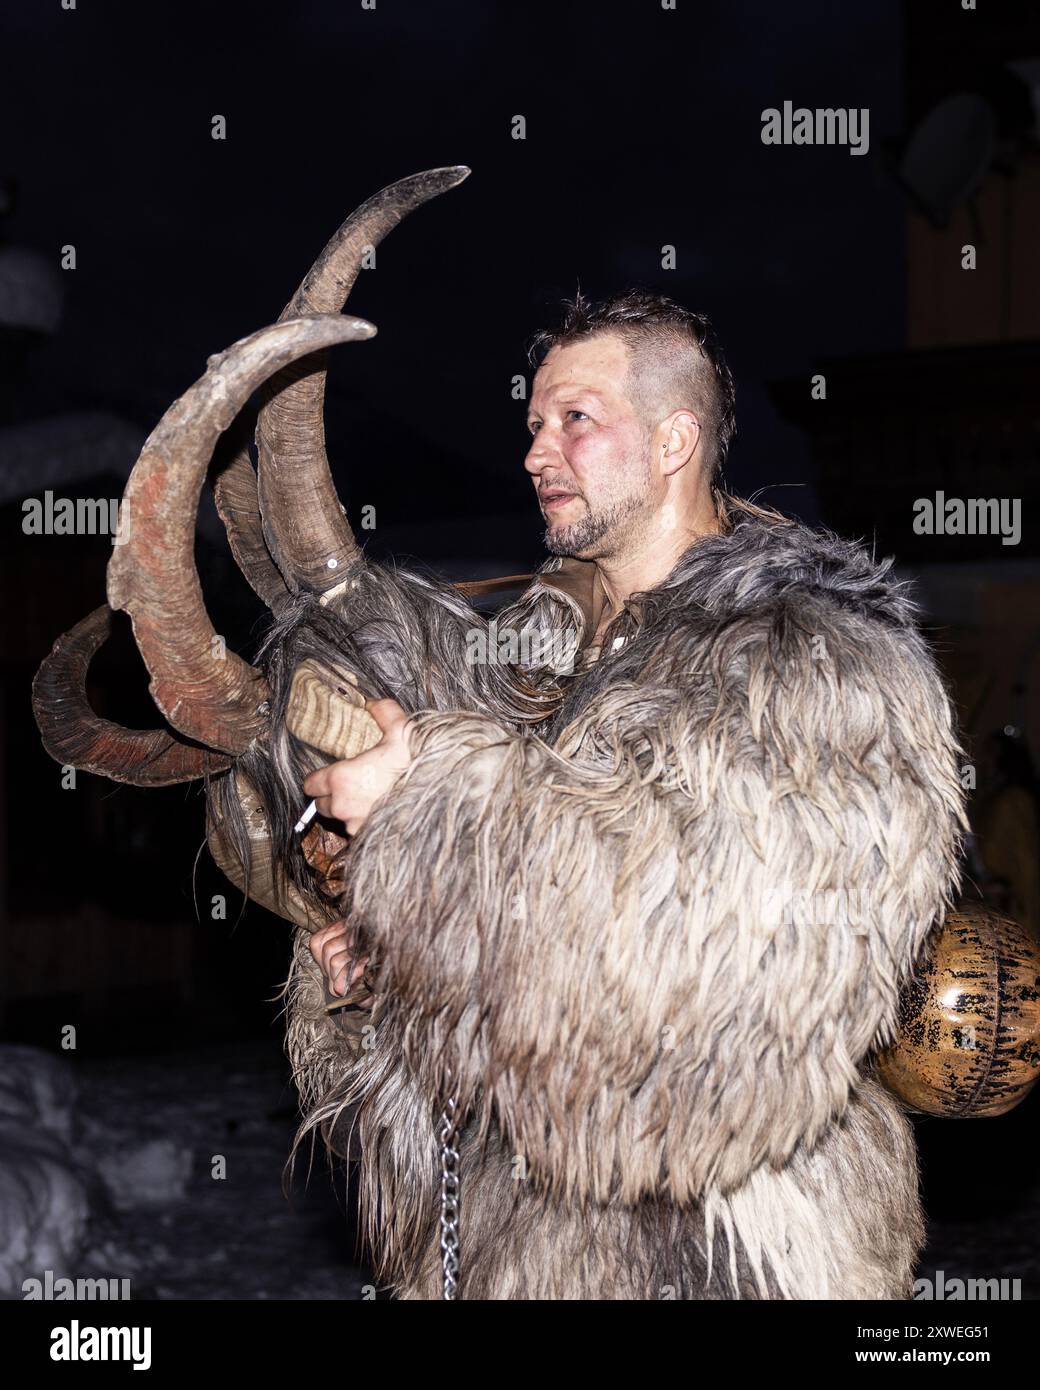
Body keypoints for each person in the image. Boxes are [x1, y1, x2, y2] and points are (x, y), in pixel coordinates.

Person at [291, 290, 965, 1299]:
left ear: (672, 440)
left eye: (575, 420)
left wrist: (433, 799)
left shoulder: (815, 659)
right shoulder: (525, 669)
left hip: (744, 1253)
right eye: (531, 424)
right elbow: (503, 991)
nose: (534, 451)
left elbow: (708, 966)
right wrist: (384, 966)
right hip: (524, 1258)